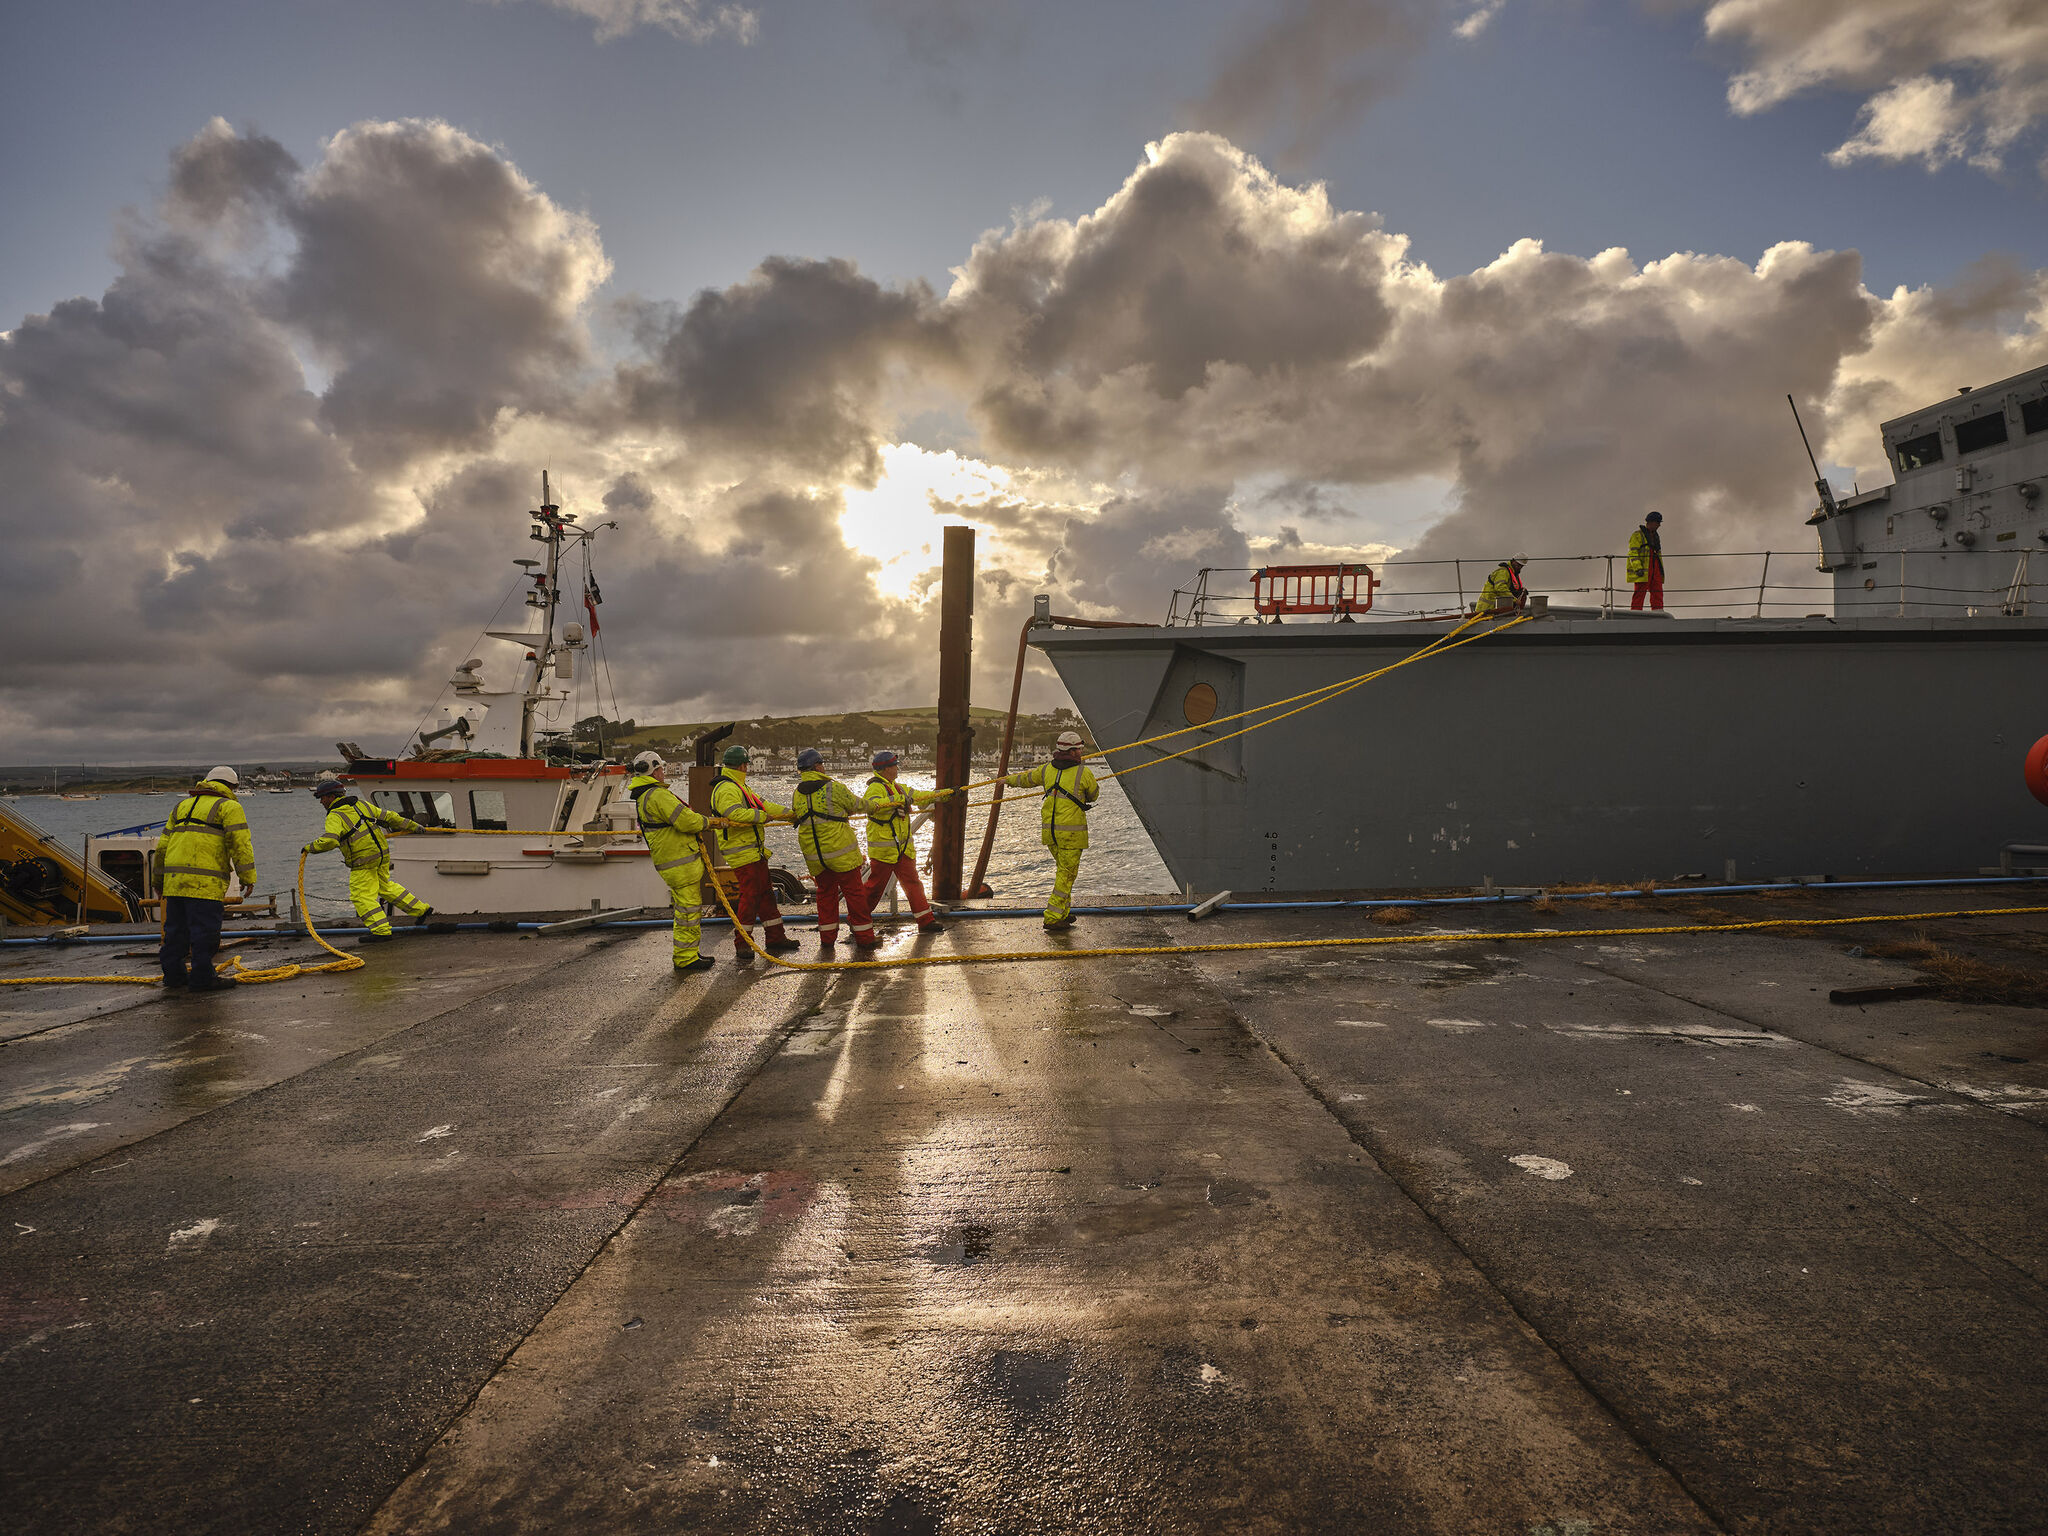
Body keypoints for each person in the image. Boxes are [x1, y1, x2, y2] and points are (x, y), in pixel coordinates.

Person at [156, 765, 257, 992]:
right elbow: (240, 845)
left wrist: (158, 882)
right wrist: (247, 877)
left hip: (174, 882)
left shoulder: (181, 806)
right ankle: (203, 979)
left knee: (175, 933)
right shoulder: (229, 807)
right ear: (233, 786)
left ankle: (173, 977)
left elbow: (162, 847)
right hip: (205, 885)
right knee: (205, 933)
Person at [303, 778, 432, 942]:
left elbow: (330, 841)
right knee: (385, 887)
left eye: (322, 797)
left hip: (362, 861)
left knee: (361, 896)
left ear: (331, 796)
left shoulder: (335, 816)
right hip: (381, 855)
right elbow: (390, 816)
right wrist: (413, 825)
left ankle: (381, 931)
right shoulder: (361, 805)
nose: (321, 802)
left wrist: (310, 847)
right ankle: (421, 909)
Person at [709, 744, 800, 961]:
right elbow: (735, 813)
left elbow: (765, 805)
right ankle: (743, 943)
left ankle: (776, 937)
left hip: (754, 853)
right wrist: (761, 817)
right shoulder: (727, 789)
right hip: (743, 854)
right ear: (743, 765)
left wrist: (790, 815)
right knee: (750, 897)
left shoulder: (740, 787)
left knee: (766, 894)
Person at [626, 751, 714, 973]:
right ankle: (686, 959)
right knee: (688, 912)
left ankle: (688, 953)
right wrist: (708, 822)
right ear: (654, 770)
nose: (663, 773)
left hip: (672, 863)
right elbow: (687, 822)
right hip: (680, 864)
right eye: (661, 769)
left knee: (685, 911)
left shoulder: (644, 795)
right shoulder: (657, 795)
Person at [1003, 731, 1099, 930]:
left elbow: (1026, 779)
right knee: (1066, 874)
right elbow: (1093, 795)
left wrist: (1006, 780)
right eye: (1079, 749)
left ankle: (1063, 913)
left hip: (1050, 833)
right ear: (1072, 751)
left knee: (1064, 872)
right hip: (1071, 835)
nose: (1081, 752)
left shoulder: (1047, 770)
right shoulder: (1083, 773)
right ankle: (1052, 917)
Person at [789, 747, 879, 951]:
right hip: (841, 853)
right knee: (854, 894)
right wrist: (875, 807)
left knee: (825, 894)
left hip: (815, 856)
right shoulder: (833, 787)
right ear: (818, 766)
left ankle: (827, 939)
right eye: (822, 763)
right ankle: (865, 938)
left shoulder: (797, 793)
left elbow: (796, 814)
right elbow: (857, 804)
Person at [861, 749, 953, 934]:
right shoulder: (875, 789)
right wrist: (901, 799)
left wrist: (948, 793)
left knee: (913, 883)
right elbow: (875, 806)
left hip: (901, 849)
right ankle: (858, 920)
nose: (897, 768)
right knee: (874, 889)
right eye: (894, 765)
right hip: (886, 851)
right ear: (886, 769)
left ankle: (925, 921)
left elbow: (921, 795)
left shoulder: (898, 787)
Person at [1628, 510, 1665, 611]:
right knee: (1639, 593)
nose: (1659, 525)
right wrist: (1638, 568)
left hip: (1655, 568)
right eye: (1658, 522)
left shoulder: (1655, 536)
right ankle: (1635, 614)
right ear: (1651, 522)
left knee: (1657, 592)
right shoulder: (1637, 535)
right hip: (1644, 569)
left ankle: (1658, 613)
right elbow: (1633, 553)